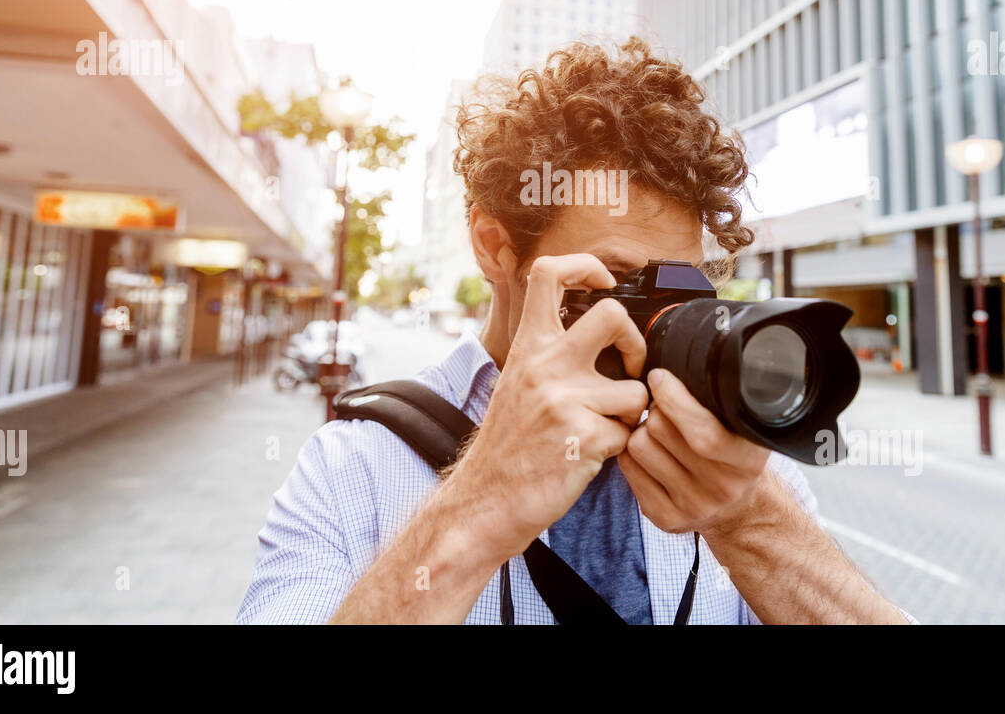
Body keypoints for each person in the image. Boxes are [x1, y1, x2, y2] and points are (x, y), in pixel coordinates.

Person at [237, 37, 910, 624]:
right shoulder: (352, 466)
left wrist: (749, 520)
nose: (655, 321)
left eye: (686, 287)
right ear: (495, 246)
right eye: (619, 279)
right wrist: (478, 505)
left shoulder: (734, 462)